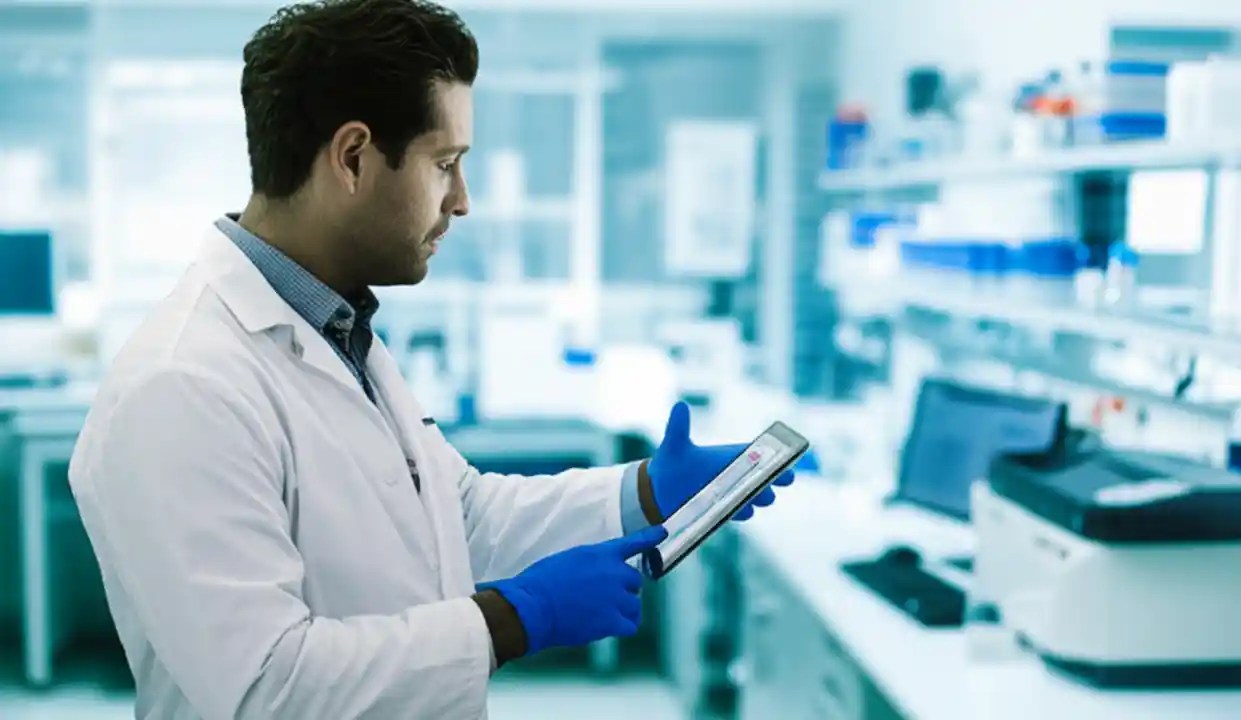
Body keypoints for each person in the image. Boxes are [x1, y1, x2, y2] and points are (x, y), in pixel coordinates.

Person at [67, 1, 795, 718]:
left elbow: (454, 516)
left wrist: (643, 491)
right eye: (445, 164)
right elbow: (265, 685)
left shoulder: (335, 328)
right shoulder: (183, 386)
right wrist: (512, 620)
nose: (463, 200)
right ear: (353, 158)